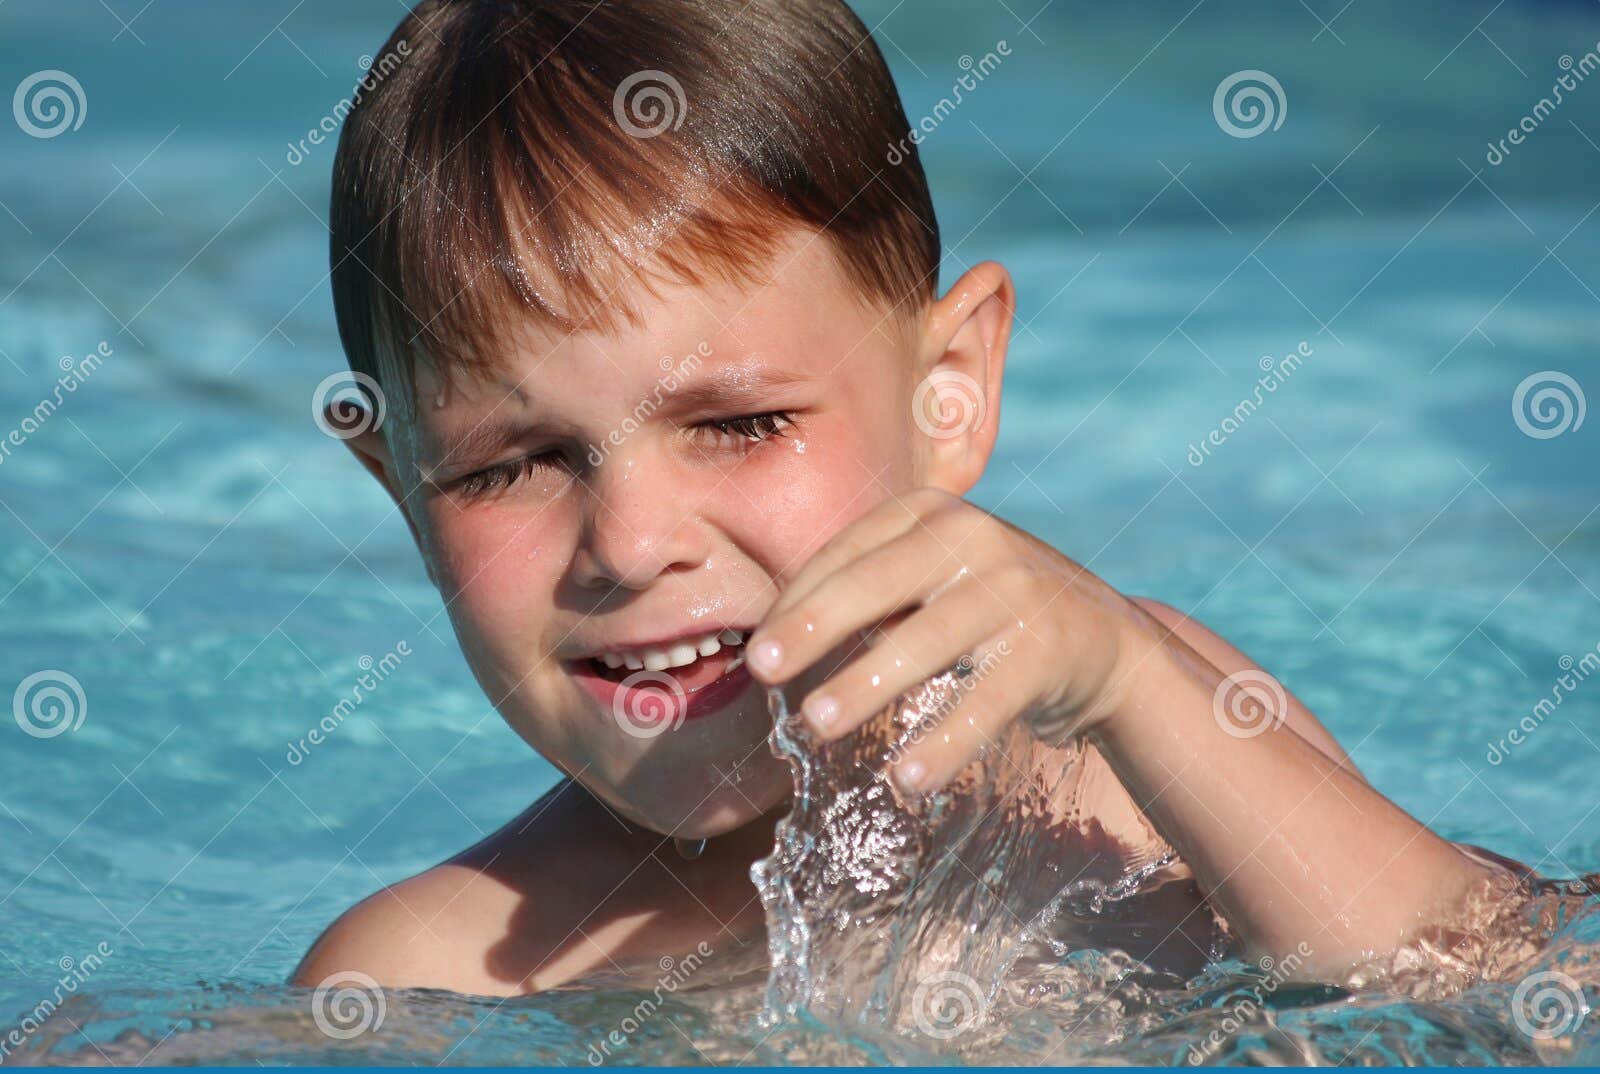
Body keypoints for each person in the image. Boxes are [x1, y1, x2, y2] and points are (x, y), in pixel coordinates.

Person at [292, 0, 1512, 999]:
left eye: (736, 423)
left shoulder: (1133, 750)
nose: (632, 542)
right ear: (400, 485)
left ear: (949, 394)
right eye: (512, 463)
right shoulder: (432, 974)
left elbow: (1485, 989)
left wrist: (1134, 684)